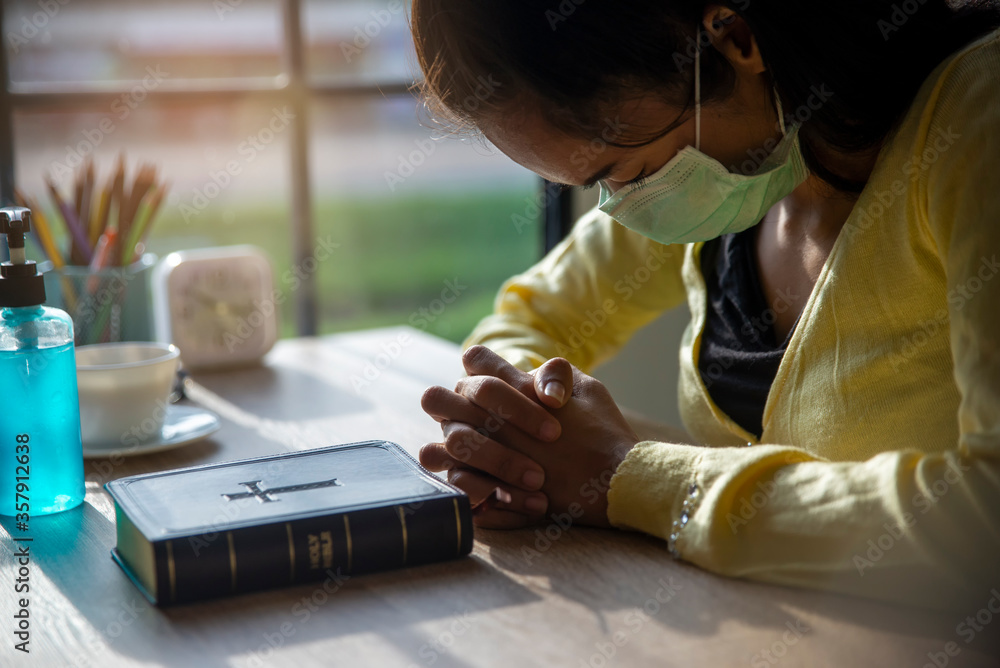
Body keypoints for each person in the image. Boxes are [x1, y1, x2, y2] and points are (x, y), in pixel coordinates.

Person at [410, 0, 1000, 612]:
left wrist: (623, 476)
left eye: (626, 172)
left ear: (735, 37)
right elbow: (528, 318)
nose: (626, 205)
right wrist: (525, 422)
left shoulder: (976, 122)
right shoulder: (729, 163)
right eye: (596, 187)